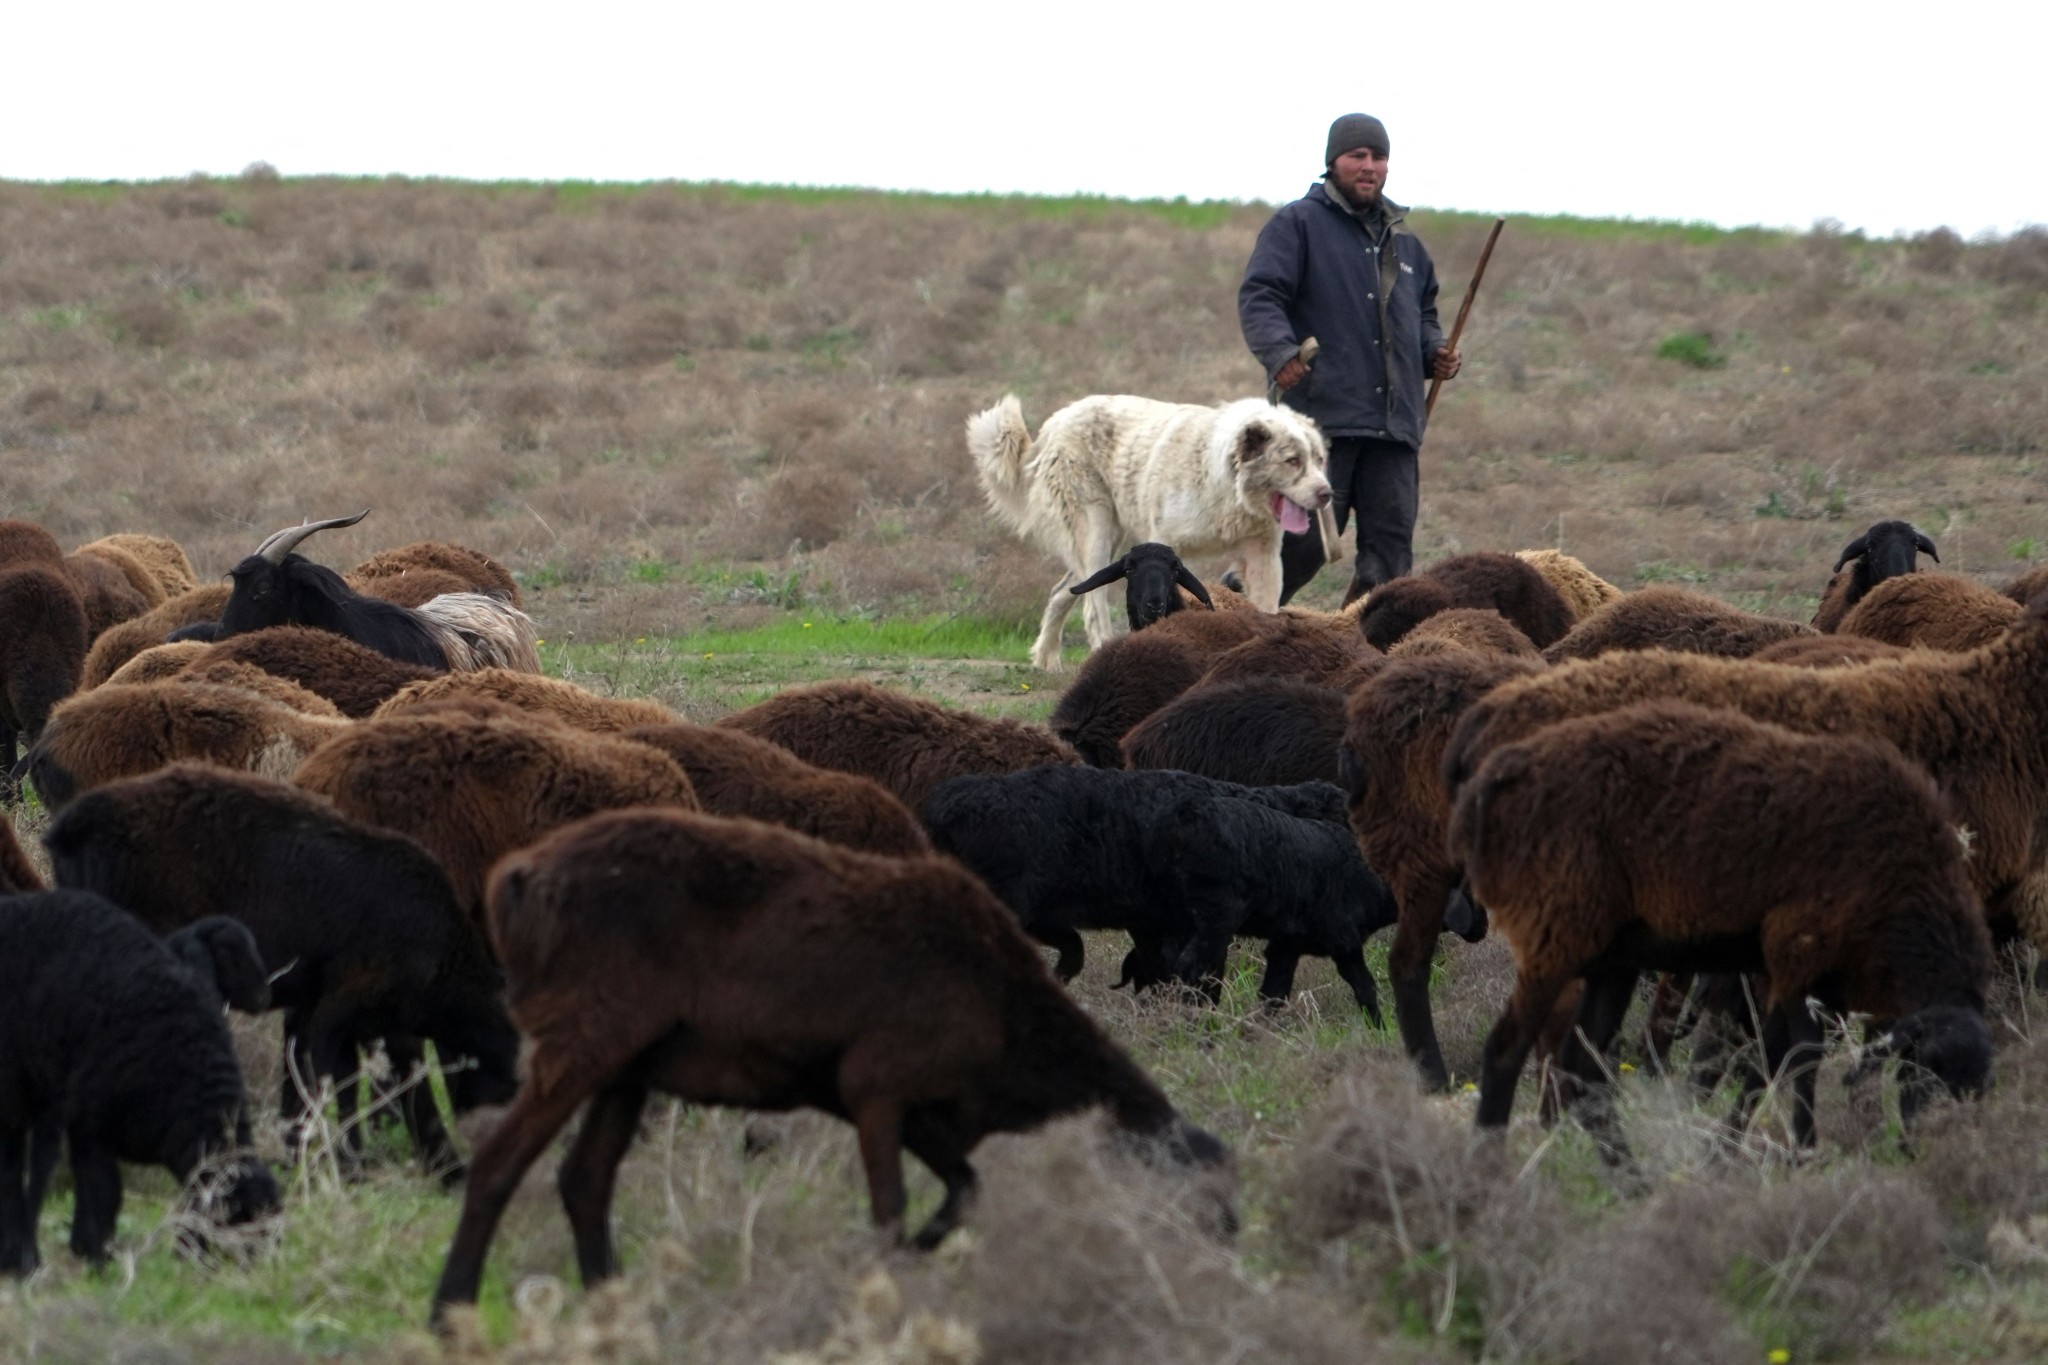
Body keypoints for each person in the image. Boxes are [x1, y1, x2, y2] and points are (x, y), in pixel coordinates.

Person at [1238, 112, 1461, 604]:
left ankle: (1363, 657)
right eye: (1357, 156)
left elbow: (1423, 314)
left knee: (1390, 562)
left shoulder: (1408, 247)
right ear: (1332, 161)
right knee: (1303, 548)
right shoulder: (1298, 224)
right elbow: (1261, 295)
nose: (1369, 166)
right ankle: (1224, 620)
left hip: (1394, 429)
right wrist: (1280, 353)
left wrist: (1434, 352)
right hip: (1321, 427)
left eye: (1378, 157)